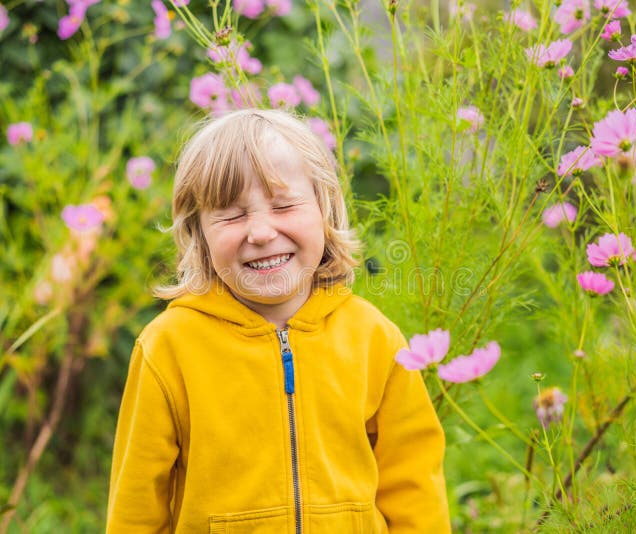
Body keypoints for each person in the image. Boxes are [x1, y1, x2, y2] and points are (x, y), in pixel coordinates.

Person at [106, 109, 450, 533]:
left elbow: (415, 486)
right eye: (231, 215)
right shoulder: (168, 347)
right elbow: (136, 505)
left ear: (324, 208)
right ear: (199, 232)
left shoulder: (375, 338)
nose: (261, 232)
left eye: (284, 205)